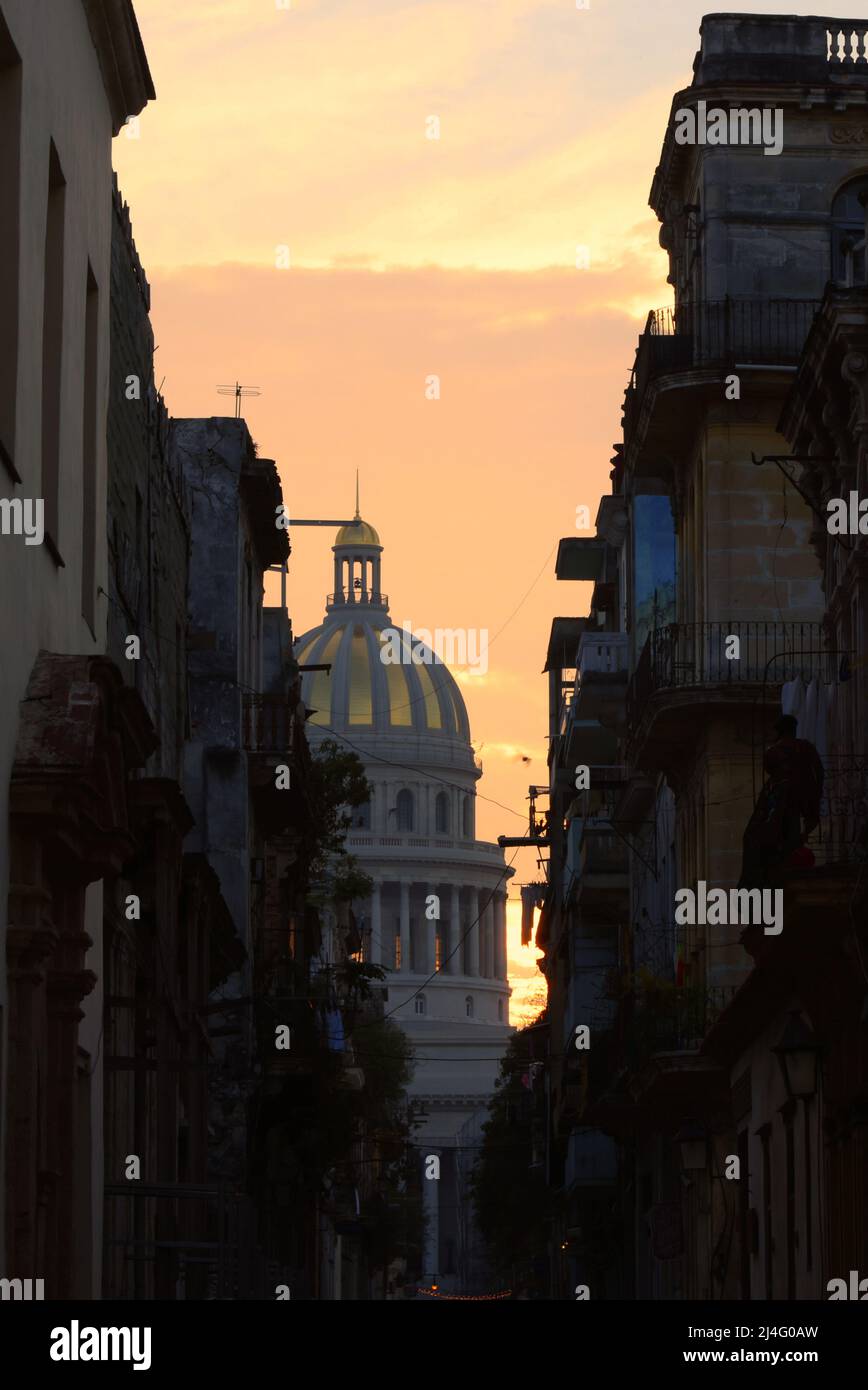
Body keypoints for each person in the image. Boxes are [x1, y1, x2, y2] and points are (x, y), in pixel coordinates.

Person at [739, 714, 824, 889]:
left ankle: (757, 880)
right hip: (801, 801)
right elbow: (819, 772)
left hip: (780, 803)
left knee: (754, 837)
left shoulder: (774, 752)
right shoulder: (807, 747)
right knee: (788, 835)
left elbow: (769, 767)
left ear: (780, 732)